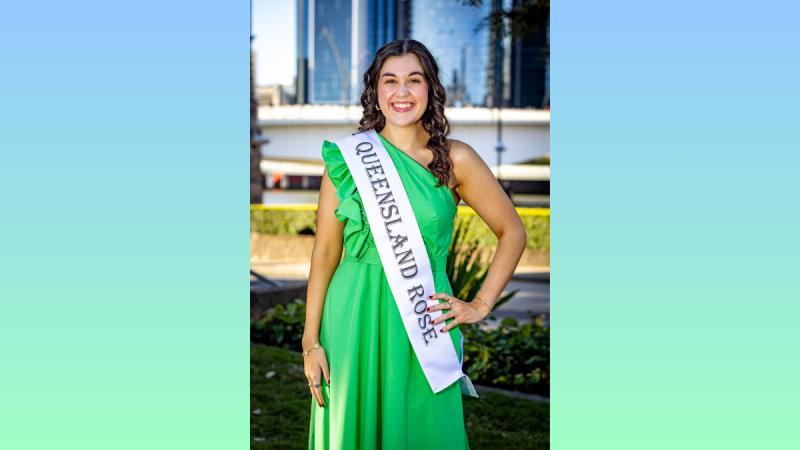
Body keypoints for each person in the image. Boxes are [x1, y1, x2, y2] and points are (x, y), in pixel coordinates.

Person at [303, 39, 527, 450]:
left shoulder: (457, 158)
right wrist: (311, 342)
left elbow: (513, 232)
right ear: (375, 90)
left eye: (414, 80)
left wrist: (480, 305)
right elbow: (325, 254)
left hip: (423, 320)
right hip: (351, 316)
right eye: (390, 81)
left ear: (431, 89)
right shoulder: (348, 159)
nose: (401, 92)